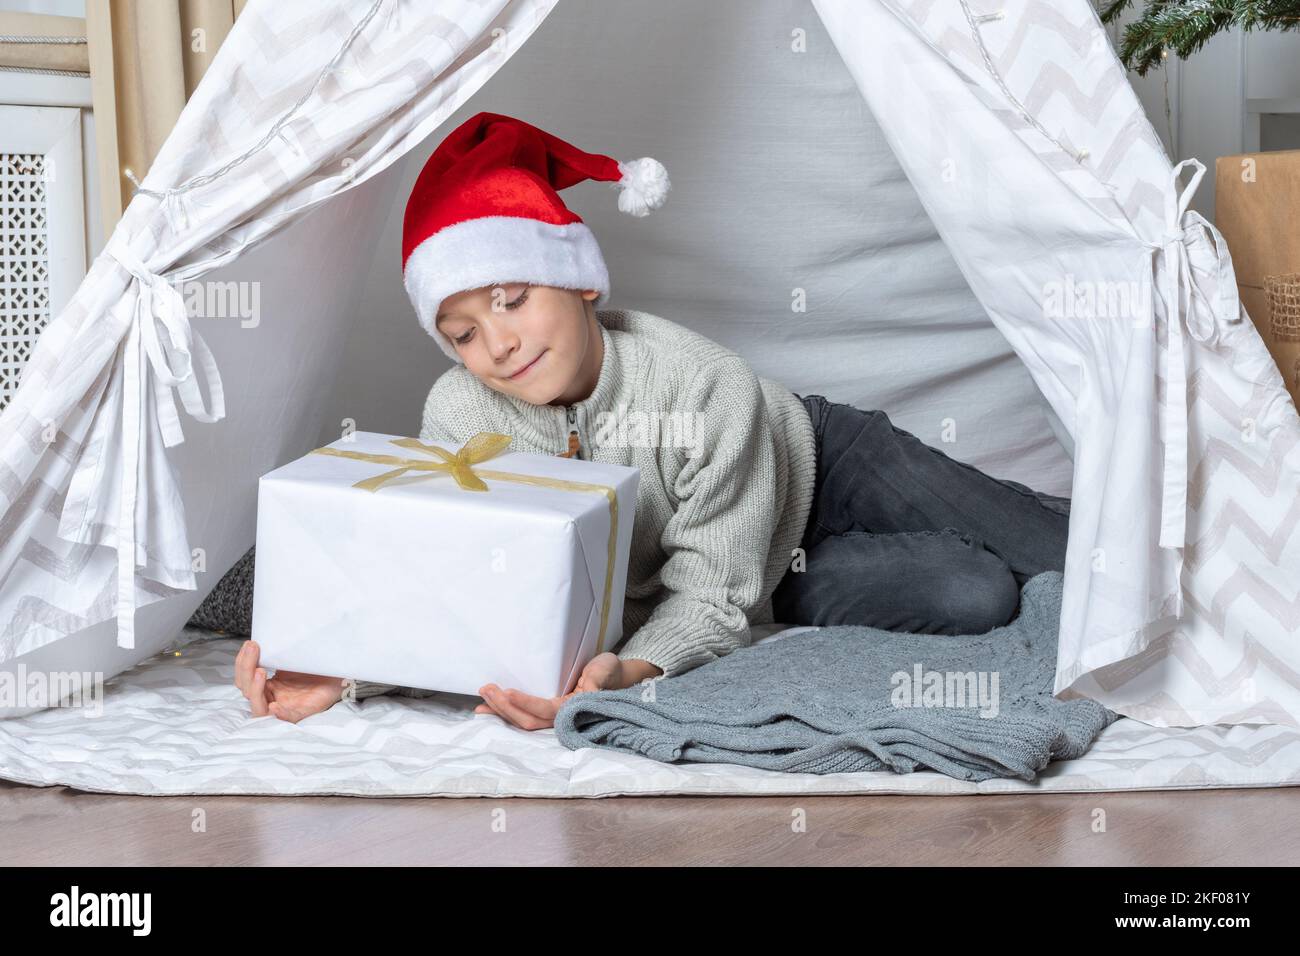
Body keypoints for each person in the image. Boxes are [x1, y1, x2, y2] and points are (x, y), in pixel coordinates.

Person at [234, 112, 1069, 728]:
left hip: (821, 462)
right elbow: (451, 588)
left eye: (513, 300)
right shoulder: (458, 415)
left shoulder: (703, 386)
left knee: (1050, 546)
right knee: (976, 592)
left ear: (581, 281)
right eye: (462, 335)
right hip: (749, 564)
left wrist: (644, 653)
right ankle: (852, 578)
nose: (498, 346)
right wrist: (346, 675)